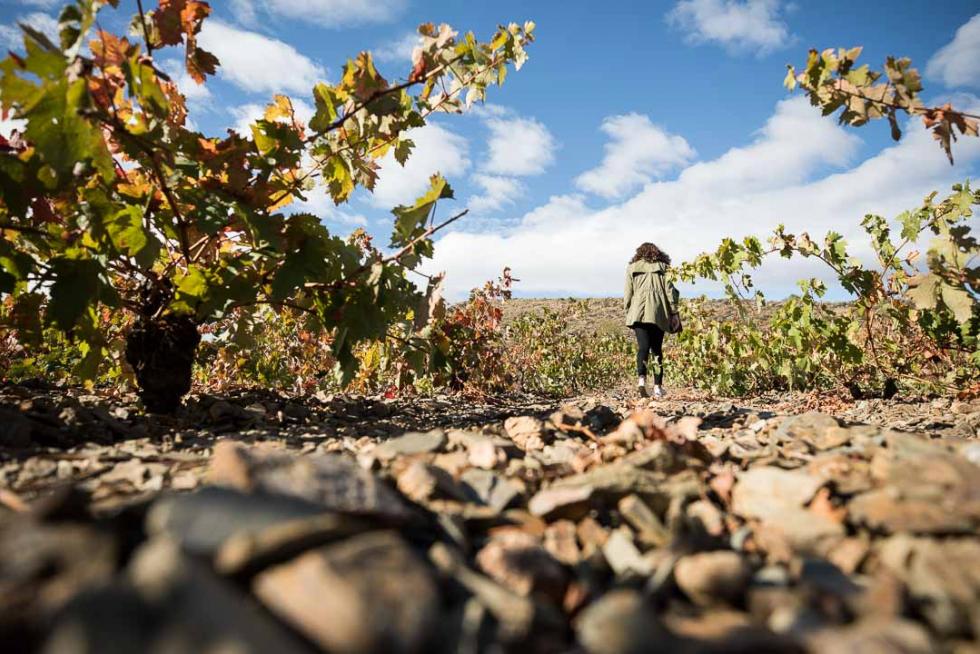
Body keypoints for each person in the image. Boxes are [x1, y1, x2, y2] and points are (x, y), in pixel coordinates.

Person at [624, 242, 680, 398]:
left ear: (639, 253)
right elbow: (670, 291)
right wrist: (674, 312)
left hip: (637, 311)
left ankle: (641, 380)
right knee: (656, 349)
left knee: (643, 347)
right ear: (658, 253)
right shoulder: (664, 267)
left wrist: (628, 311)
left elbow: (628, 293)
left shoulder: (632, 267)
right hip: (658, 311)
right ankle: (657, 387)